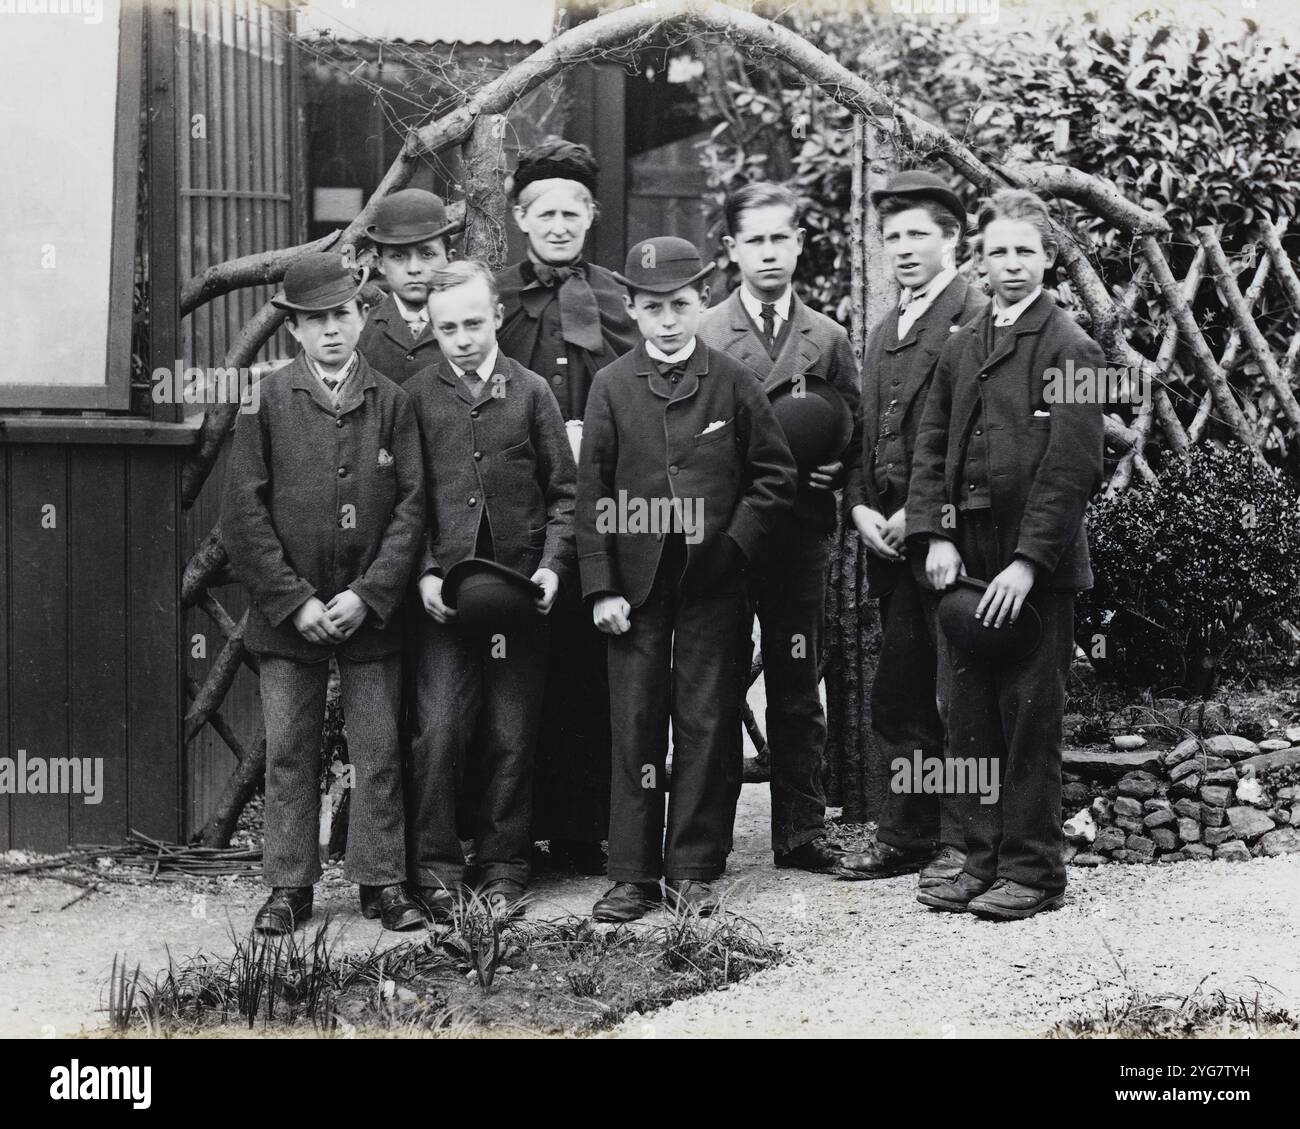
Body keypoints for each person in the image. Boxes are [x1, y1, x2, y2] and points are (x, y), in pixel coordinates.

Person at [577, 237, 797, 922]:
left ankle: (694, 864)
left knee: (706, 718)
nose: (667, 321)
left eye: (679, 305)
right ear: (633, 312)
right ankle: (632, 871)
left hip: (712, 579)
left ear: (700, 303)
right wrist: (602, 585)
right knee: (636, 718)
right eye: (652, 308)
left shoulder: (731, 380)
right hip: (636, 582)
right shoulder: (612, 384)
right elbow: (592, 495)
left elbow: (775, 475)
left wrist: (734, 545)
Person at [906, 188, 1104, 920]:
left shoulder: (1074, 348)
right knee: (968, 716)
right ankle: (980, 859)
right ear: (978, 261)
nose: (1011, 265)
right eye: (998, 252)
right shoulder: (963, 347)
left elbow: (1073, 467)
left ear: (1049, 259)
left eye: (1026, 251)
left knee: (1029, 716)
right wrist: (934, 536)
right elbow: (930, 447)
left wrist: (1028, 563)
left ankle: (1034, 871)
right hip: (967, 553)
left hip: (1036, 565)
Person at [222, 252, 426, 935]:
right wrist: (295, 599)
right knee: (289, 747)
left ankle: (381, 879)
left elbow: (412, 509)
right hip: (290, 619)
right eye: (316, 321)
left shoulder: (391, 401)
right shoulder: (267, 400)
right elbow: (243, 515)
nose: (332, 331)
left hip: (369, 614)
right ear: (294, 332)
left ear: (362, 316)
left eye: (342, 315)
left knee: (379, 747)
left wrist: (369, 594)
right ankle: (288, 884)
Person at [404, 260, 576, 921]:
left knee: (511, 730)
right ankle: (437, 866)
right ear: (434, 330)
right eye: (448, 328)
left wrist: (553, 568)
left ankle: (505, 862)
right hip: (443, 602)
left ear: (497, 317)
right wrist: (421, 570)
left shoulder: (531, 392)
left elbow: (566, 492)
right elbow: (406, 499)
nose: (463, 338)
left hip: (517, 602)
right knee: (441, 728)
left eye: (474, 323)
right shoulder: (417, 398)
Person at [699, 182, 862, 874]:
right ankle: (706, 837)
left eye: (780, 238)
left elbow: (852, 430)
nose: (769, 253)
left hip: (800, 536)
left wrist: (835, 472)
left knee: (799, 678)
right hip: (730, 538)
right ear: (732, 249)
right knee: (717, 678)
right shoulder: (707, 333)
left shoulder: (826, 338)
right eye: (754, 240)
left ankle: (800, 829)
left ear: (800, 243)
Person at [837, 170, 987, 886]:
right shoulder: (882, 330)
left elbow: (982, 441)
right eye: (891, 236)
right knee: (900, 691)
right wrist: (863, 505)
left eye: (917, 234)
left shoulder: (978, 317)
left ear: (952, 238)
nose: (902, 248)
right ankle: (908, 833)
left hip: (955, 543)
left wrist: (926, 517)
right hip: (891, 548)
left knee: (960, 691)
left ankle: (964, 840)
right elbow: (868, 434)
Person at [496, 138, 639, 874]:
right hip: (519, 511)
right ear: (522, 218)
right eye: (543, 212)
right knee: (520, 668)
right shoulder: (491, 298)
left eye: (571, 212)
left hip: (601, 507)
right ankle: (510, 834)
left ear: (590, 217)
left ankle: (583, 830)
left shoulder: (618, 298)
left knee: (590, 667)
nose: (558, 224)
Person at [357, 188, 458, 385]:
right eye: (398, 256)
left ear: (449, 259)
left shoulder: (470, 326)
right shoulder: (360, 331)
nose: (413, 269)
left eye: (427, 254)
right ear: (381, 264)